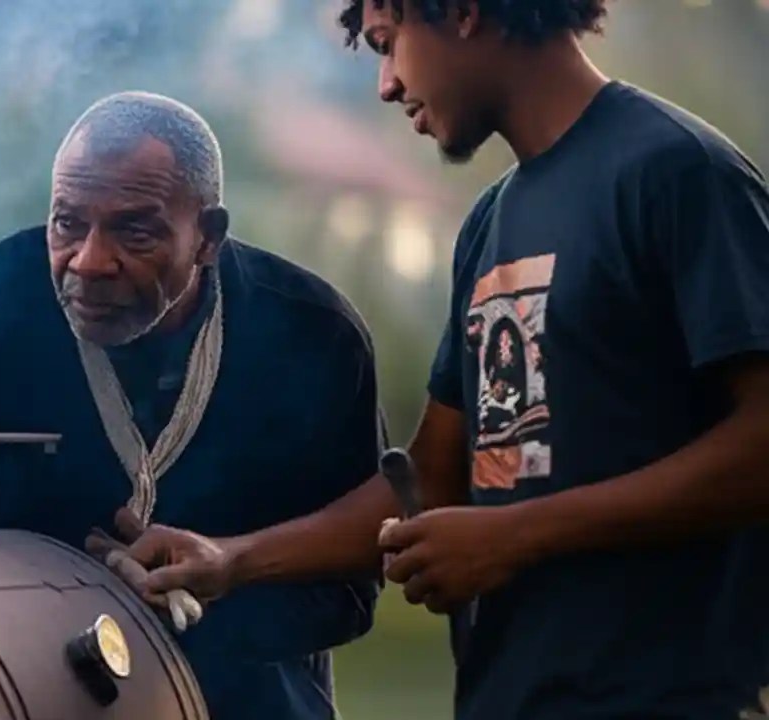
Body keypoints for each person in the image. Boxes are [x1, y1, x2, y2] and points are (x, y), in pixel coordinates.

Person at [117, 2, 769, 719]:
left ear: (460, 13)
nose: (386, 85)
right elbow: (432, 475)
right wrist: (231, 560)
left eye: (388, 45)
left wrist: (516, 534)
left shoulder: (675, 171)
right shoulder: (490, 224)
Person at [0, 90, 387, 720]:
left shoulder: (311, 333)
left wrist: (198, 605)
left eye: (133, 230)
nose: (88, 262)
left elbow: (352, 582)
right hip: (31, 699)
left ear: (207, 238)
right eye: (67, 223)